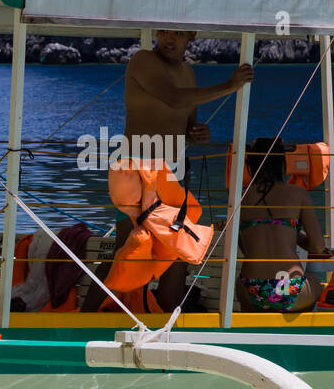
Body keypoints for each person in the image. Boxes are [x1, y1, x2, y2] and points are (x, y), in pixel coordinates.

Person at [84, 30, 254, 311]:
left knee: (176, 249)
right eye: (164, 32)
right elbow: (173, 98)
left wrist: (197, 134)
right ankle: (85, 319)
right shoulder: (143, 60)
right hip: (136, 167)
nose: (169, 38)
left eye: (177, 34)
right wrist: (231, 85)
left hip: (172, 170)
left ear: (190, 36)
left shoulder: (188, 72)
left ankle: (165, 328)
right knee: (128, 247)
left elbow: (186, 121)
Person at [237, 137, 331, 311]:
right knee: (316, 282)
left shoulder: (239, 198)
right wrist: (292, 234)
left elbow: (245, 248)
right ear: (283, 163)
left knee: (243, 284)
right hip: (290, 290)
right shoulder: (297, 193)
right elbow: (318, 247)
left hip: (251, 290)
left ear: (251, 165)